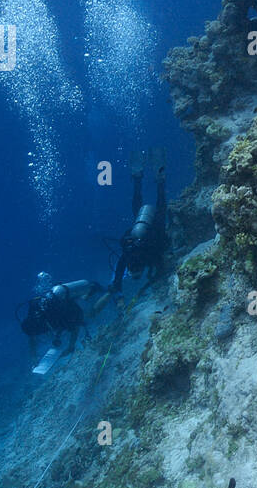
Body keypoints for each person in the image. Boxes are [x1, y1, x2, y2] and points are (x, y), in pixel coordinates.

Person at [109, 148, 168, 297]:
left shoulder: (140, 257)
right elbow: (120, 267)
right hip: (140, 226)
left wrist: (117, 285)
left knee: (161, 206)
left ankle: (160, 180)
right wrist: (117, 283)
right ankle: (137, 177)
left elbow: (161, 263)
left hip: (152, 228)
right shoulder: (129, 255)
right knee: (137, 209)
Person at [20, 273, 104, 361]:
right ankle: (91, 290)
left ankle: (106, 290)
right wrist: (34, 356)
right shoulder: (36, 313)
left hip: (74, 308)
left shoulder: (50, 318)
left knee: (92, 313)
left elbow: (75, 328)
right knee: (78, 300)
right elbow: (31, 336)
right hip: (62, 297)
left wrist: (70, 347)